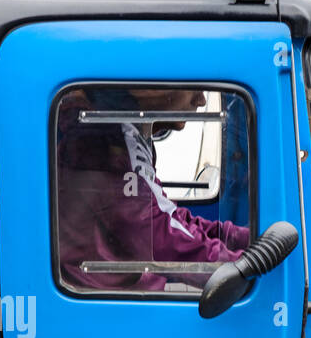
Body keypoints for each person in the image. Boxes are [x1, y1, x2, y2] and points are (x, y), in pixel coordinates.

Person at [55, 86, 249, 291]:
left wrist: (237, 237)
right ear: (153, 90)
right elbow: (157, 237)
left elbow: (167, 214)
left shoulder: (125, 133)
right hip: (104, 300)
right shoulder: (107, 140)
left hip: (119, 289)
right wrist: (242, 267)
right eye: (194, 90)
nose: (200, 101)